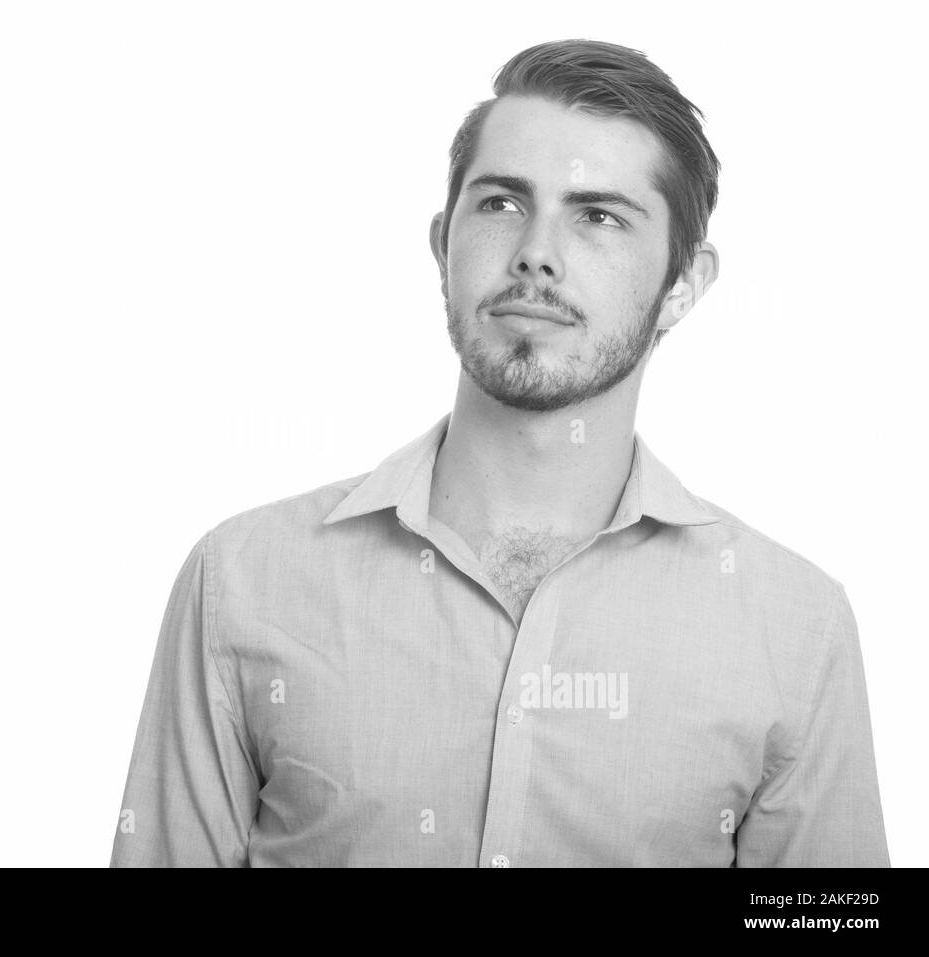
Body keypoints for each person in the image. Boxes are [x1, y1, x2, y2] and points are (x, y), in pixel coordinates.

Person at [109, 38, 890, 867]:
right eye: (503, 204)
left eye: (598, 216)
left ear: (684, 285)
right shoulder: (242, 579)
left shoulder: (795, 630)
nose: (536, 253)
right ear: (444, 244)